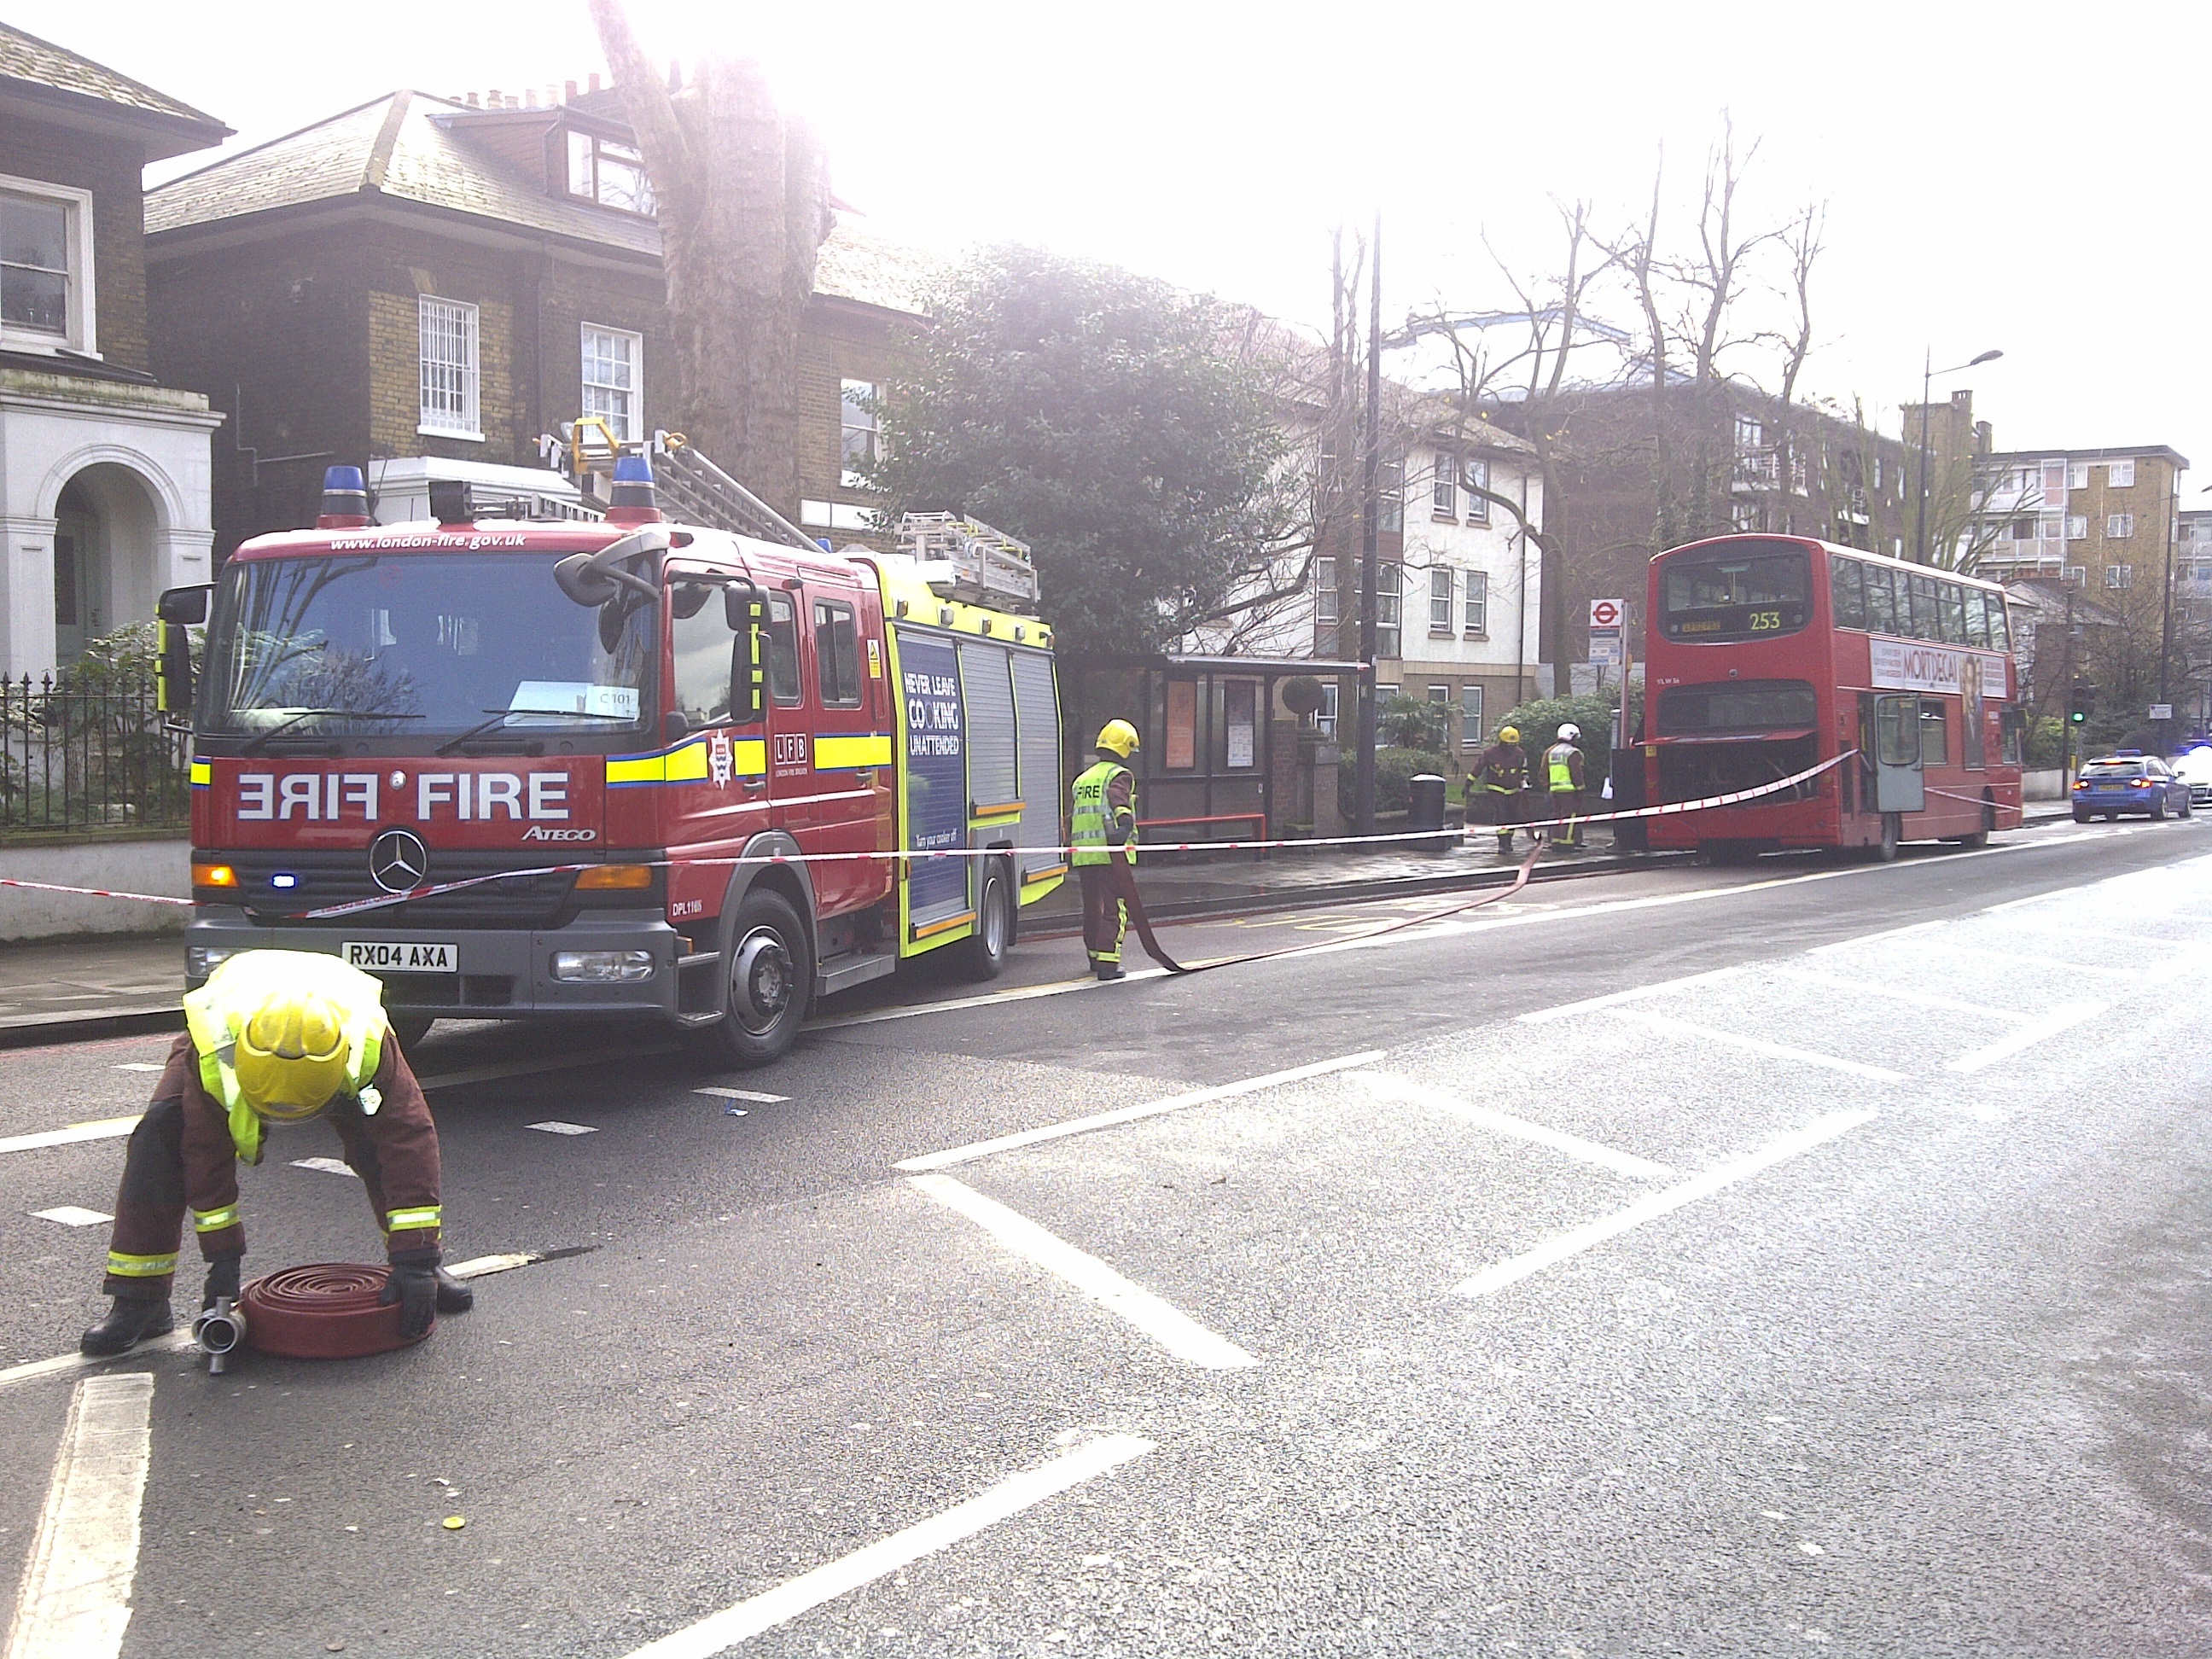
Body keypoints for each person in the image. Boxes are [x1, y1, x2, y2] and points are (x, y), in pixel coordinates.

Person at [81, 950, 471, 1356]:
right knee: (160, 1138)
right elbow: (204, 1154)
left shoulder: (368, 1045)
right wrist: (223, 1260)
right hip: (238, 1015)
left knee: (380, 1145)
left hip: (331, 1015)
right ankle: (139, 1300)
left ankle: (423, 1266)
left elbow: (410, 1142)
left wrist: (417, 1257)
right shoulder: (216, 1050)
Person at [1070, 719, 1142, 981]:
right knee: (1114, 908)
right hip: (1111, 854)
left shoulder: (1082, 779)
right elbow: (1117, 797)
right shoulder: (1118, 775)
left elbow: (1074, 815)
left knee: (1092, 906)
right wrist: (1124, 826)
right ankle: (1108, 963)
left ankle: (1094, 955)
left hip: (1084, 853)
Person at [1467, 724, 1532, 854]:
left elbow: (1523, 769)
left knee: (1513, 816)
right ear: (1501, 742)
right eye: (1508, 745)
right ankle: (1502, 843)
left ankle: (1508, 840)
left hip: (1513, 790)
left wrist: (1525, 780)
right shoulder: (1490, 754)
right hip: (1496, 789)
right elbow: (1478, 769)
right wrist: (1468, 784)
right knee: (1501, 814)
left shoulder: (1519, 753)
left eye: (1513, 745)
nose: (1511, 748)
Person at [1544, 723, 1588, 850]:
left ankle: (1556, 841)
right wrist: (1580, 789)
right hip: (1569, 791)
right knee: (1570, 816)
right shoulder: (1572, 752)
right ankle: (1567, 843)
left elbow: (1545, 772)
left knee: (1557, 815)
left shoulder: (1552, 751)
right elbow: (1576, 773)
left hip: (1554, 790)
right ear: (1571, 736)